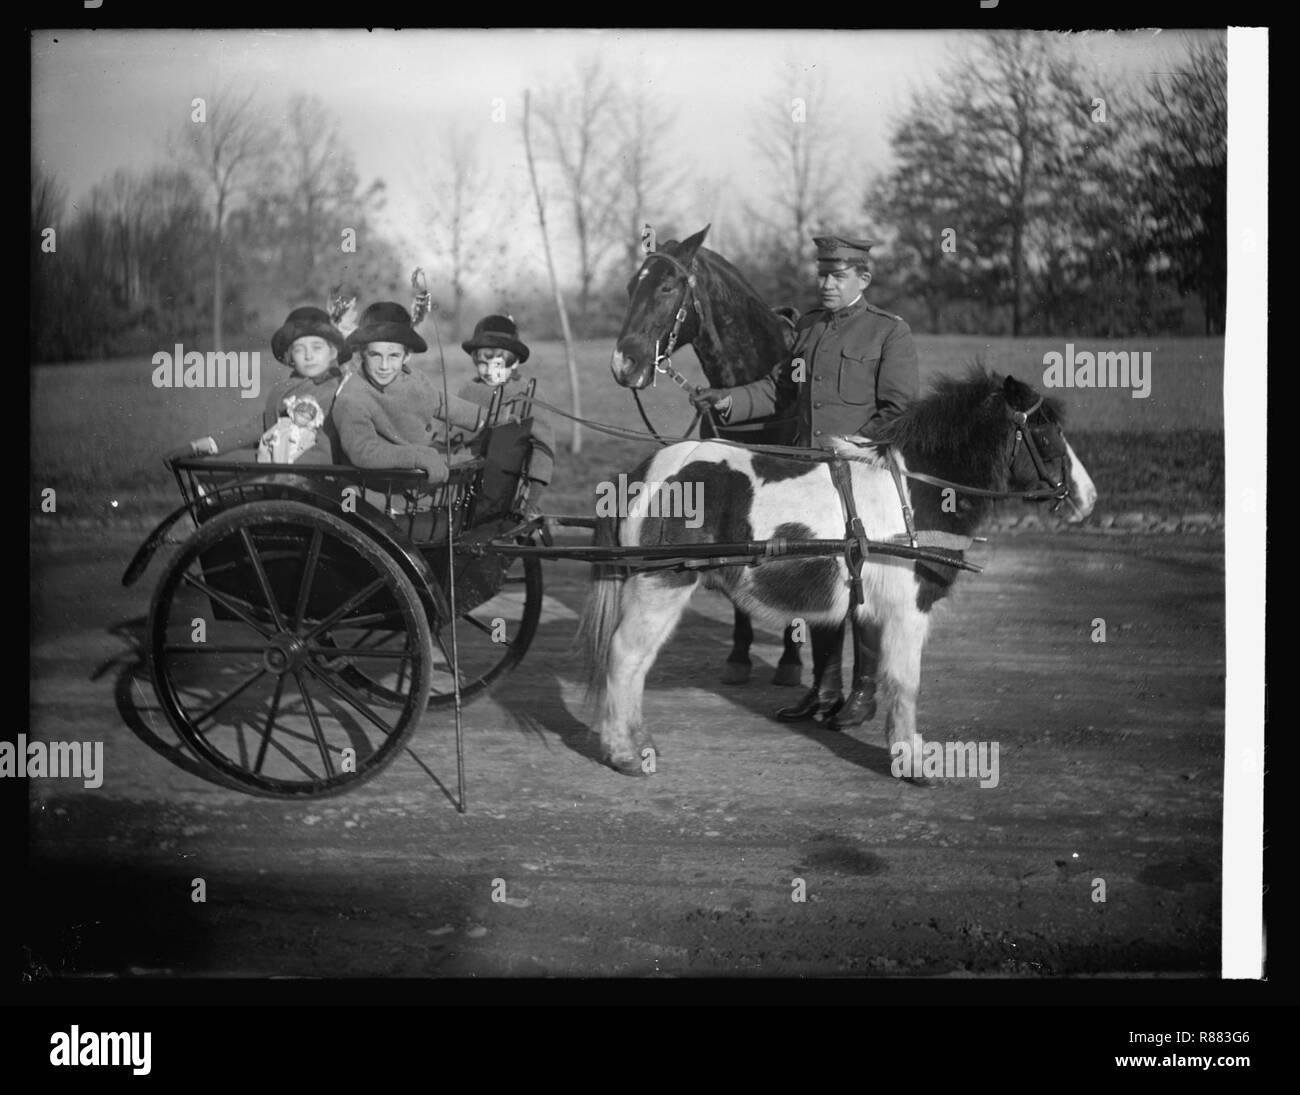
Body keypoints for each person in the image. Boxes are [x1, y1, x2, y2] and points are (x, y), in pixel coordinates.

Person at [690, 234, 919, 730]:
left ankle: (863, 691)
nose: (827, 284)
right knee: (820, 579)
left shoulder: (887, 333)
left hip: (863, 482)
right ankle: (824, 686)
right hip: (810, 481)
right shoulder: (810, 329)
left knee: (861, 585)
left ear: (863, 278)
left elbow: (899, 412)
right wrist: (727, 400)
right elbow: (779, 390)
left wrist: (855, 449)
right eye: (823, 274)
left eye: (838, 276)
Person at [332, 300, 483, 485]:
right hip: (375, 488)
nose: (384, 366)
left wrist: (488, 417)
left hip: (412, 476)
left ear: (407, 356)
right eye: (375, 355)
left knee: (477, 469)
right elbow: (365, 451)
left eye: (394, 356)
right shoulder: (351, 398)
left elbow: (440, 402)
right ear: (363, 353)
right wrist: (417, 457)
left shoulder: (413, 378)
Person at [186, 306, 351, 464]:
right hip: (280, 463)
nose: (309, 356)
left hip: (311, 474)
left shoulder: (333, 392)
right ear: (290, 357)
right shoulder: (287, 390)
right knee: (221, 464)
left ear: (333, 352)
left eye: (317, 348)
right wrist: (208, 443)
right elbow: (258, 426)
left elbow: (327, 451)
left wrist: (283, 467)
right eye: (299, 349)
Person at [456, 314, 555, 505]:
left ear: (515, 362)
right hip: (462, 480)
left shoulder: (526, 394)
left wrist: (532, 494)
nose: (489, 372)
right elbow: (450, 434)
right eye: (483, 364)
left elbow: (543, 447)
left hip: (505, 488)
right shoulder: (468, 390)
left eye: (498, 365)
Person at [257, 394, 325, 465]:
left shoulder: (309, 434)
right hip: (278, 458)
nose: (303, 420)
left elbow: (309, 449)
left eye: (307, 418)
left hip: (296, 463)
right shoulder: (282, 424)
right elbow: (266, 438)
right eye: (301, 415)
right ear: (293, 411)